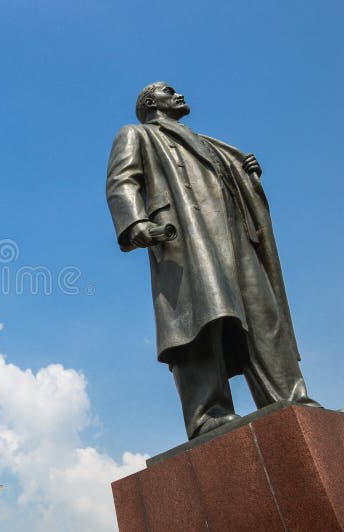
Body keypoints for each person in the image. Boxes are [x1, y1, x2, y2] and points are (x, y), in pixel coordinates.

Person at [106, 81, 319, 439]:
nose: (179, 94)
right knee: (203, 321)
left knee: (265, 316)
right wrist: (137, 221)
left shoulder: (205, 141)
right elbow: (121, 180)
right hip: (189, 238)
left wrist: (243, 169)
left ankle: (290, 398)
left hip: (236, 239)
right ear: (149, 102)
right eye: (168, 91)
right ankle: (209, 414)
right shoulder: (138, 134)